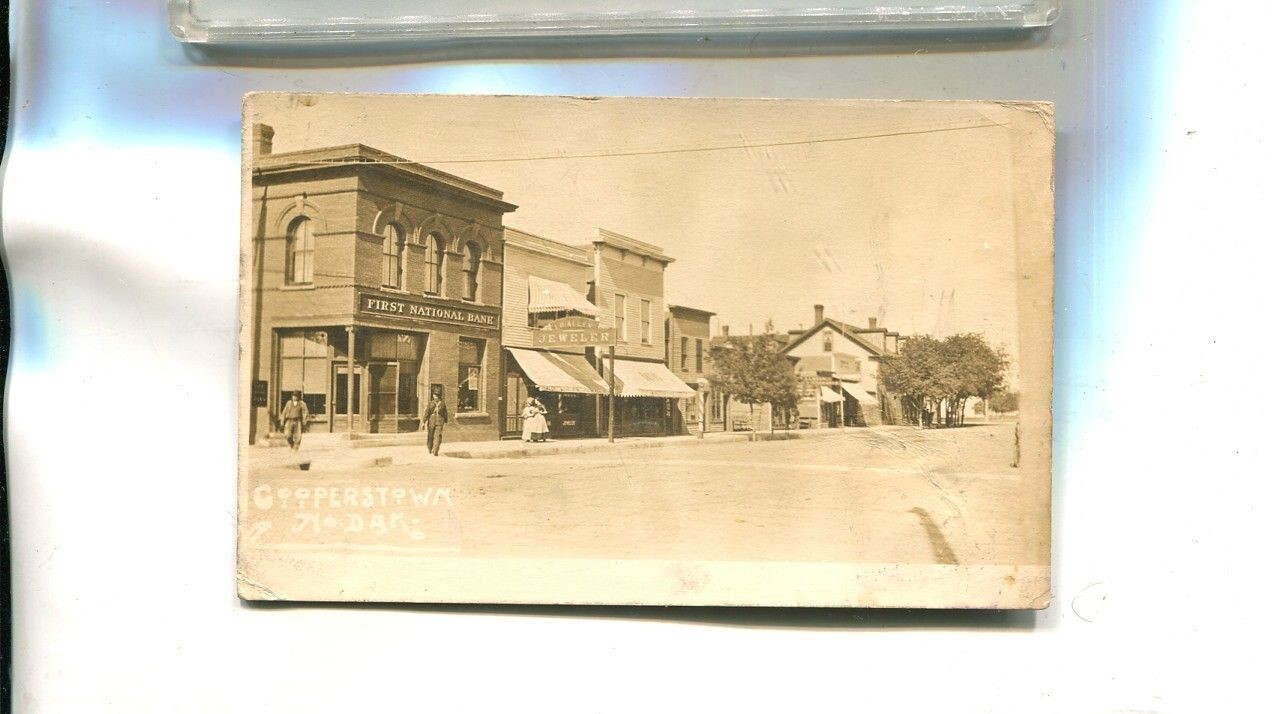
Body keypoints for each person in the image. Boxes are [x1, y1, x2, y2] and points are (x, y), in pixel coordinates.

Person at [422, 387, 449, 456]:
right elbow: (445, 413)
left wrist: (423, 422)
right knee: (437, 435)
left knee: (431, 435)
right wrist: (445, 420)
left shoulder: (431, 403)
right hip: (440, 420)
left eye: (434, 395)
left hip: (432, 420)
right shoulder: (442, 404)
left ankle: (430, 448)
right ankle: (435, 450)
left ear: (434, 395)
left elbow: (427, 413)